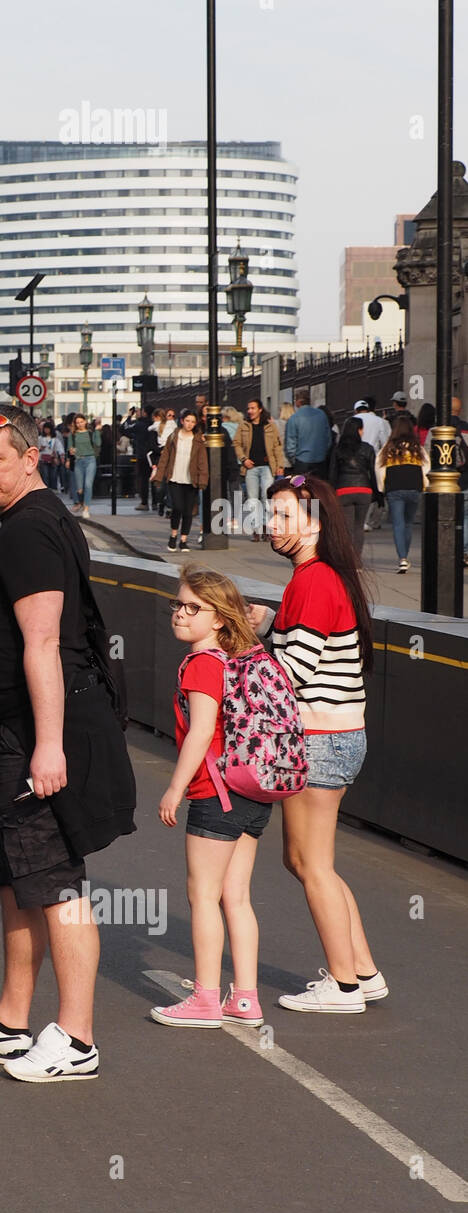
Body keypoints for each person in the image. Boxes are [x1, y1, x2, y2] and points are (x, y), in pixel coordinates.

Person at [0, 407, 134, 1081]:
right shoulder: (38, 520)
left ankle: (77, 1038)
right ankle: (10, 1019)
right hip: (15, 729)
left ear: (31, 458)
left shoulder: (28, 532)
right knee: (19, 880)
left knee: (56, 883)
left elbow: (44, 641)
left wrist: (47, 746)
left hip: (39, 731)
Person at [249, 476, 385, 1013]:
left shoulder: (311, 581)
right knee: (311, 860)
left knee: (311, 864)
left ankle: (344, 986)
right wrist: (268, 623)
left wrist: (238, 663)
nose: (273, 526)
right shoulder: (325, 578)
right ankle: (363, 971)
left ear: (316, 523)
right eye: (273, 514)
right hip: (340, 733)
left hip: (318, 738)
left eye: (285, 516)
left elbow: (292, 673)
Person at [153, 566, 270, 1028]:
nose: (180, 614)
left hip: (214, 791)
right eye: (177, 604)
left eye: (192, 608)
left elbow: (201, 732)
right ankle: (245, 997)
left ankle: (204, 999)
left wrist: (174, 789)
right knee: (236, 896)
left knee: (202, 895)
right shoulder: (240, 657)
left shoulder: (203, 664)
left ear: (219, 618)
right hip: (252, 791)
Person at [375, 412, 430, 573]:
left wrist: (381, 488)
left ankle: (402, 558)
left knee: (398, 524)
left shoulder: (388, 448)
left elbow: (379, 468)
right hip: (414, 487)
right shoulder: (417, 448)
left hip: (395, 488)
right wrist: (425, 486)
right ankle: (405, 554)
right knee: (408, 523)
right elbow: (426, 468)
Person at [154, 409, 208, 552]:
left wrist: (203, 479)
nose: (190, 424)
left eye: (193, 422)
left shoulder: (198, 439)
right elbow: (165, 457)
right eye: (187, 421)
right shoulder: (173, 437)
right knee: (177, 507)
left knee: (188, 511)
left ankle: (183, 540)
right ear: (182, 421)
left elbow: (202, 461)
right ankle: (173, 536)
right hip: (175, 478)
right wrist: (159, 475)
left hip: (191, 479)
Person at [233, 398, 285, 540]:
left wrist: (280, 465)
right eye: (248, 408)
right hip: (251, 467)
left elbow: (277, 446)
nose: (250, 411)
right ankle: (256, 530)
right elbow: (236, 443)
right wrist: (244, 459)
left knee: (266, 498)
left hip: (267, 466)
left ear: (260, 409)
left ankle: (266, 528)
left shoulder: (270, 426)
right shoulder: (244, 425)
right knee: (252, 499)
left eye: (253, 408)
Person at [327, 416, 378, 556]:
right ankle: (357, 560)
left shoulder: (338, 449)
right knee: (358, 527)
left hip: (344, 490)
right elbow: (372, 473)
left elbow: (332, 473)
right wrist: (377, 493)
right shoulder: (368, 449)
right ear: (360, 430)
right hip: (364, 490)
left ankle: (347, 558)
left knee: (347, 528)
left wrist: (331, 492)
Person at [284, 388, 332, 476]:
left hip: (302, 461)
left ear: (297, 402)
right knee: (319, 488)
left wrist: (294, 461)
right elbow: (328, 439)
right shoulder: (321, 414)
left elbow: (290, 444)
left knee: (301, 488)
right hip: (320, 460)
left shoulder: (294, 418)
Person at [67, 414, 100, 516]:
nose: (79, 424)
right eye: (77, 422)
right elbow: (70, 448)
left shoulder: (91, 433)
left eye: (81, 422)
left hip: (90, 460)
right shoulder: (72, 435)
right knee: (80, 488)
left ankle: (86, 508)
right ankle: (80, 503)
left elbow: (98, 443)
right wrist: (71, 452)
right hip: (78, 461)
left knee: (88, 484)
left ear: (85, 421)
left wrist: (98, 431)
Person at [37, 418, 65, 491]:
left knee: (53, 475)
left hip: (53, 458)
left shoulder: (55, 439)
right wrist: (40, 448)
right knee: (45, 475)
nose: (46, 430)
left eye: (48, 429)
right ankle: (46, 489)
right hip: (43, 459)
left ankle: (53, 488)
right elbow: (36, 448)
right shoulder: (40, 438)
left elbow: (60, 448)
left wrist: (61, 455)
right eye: (45, 429)